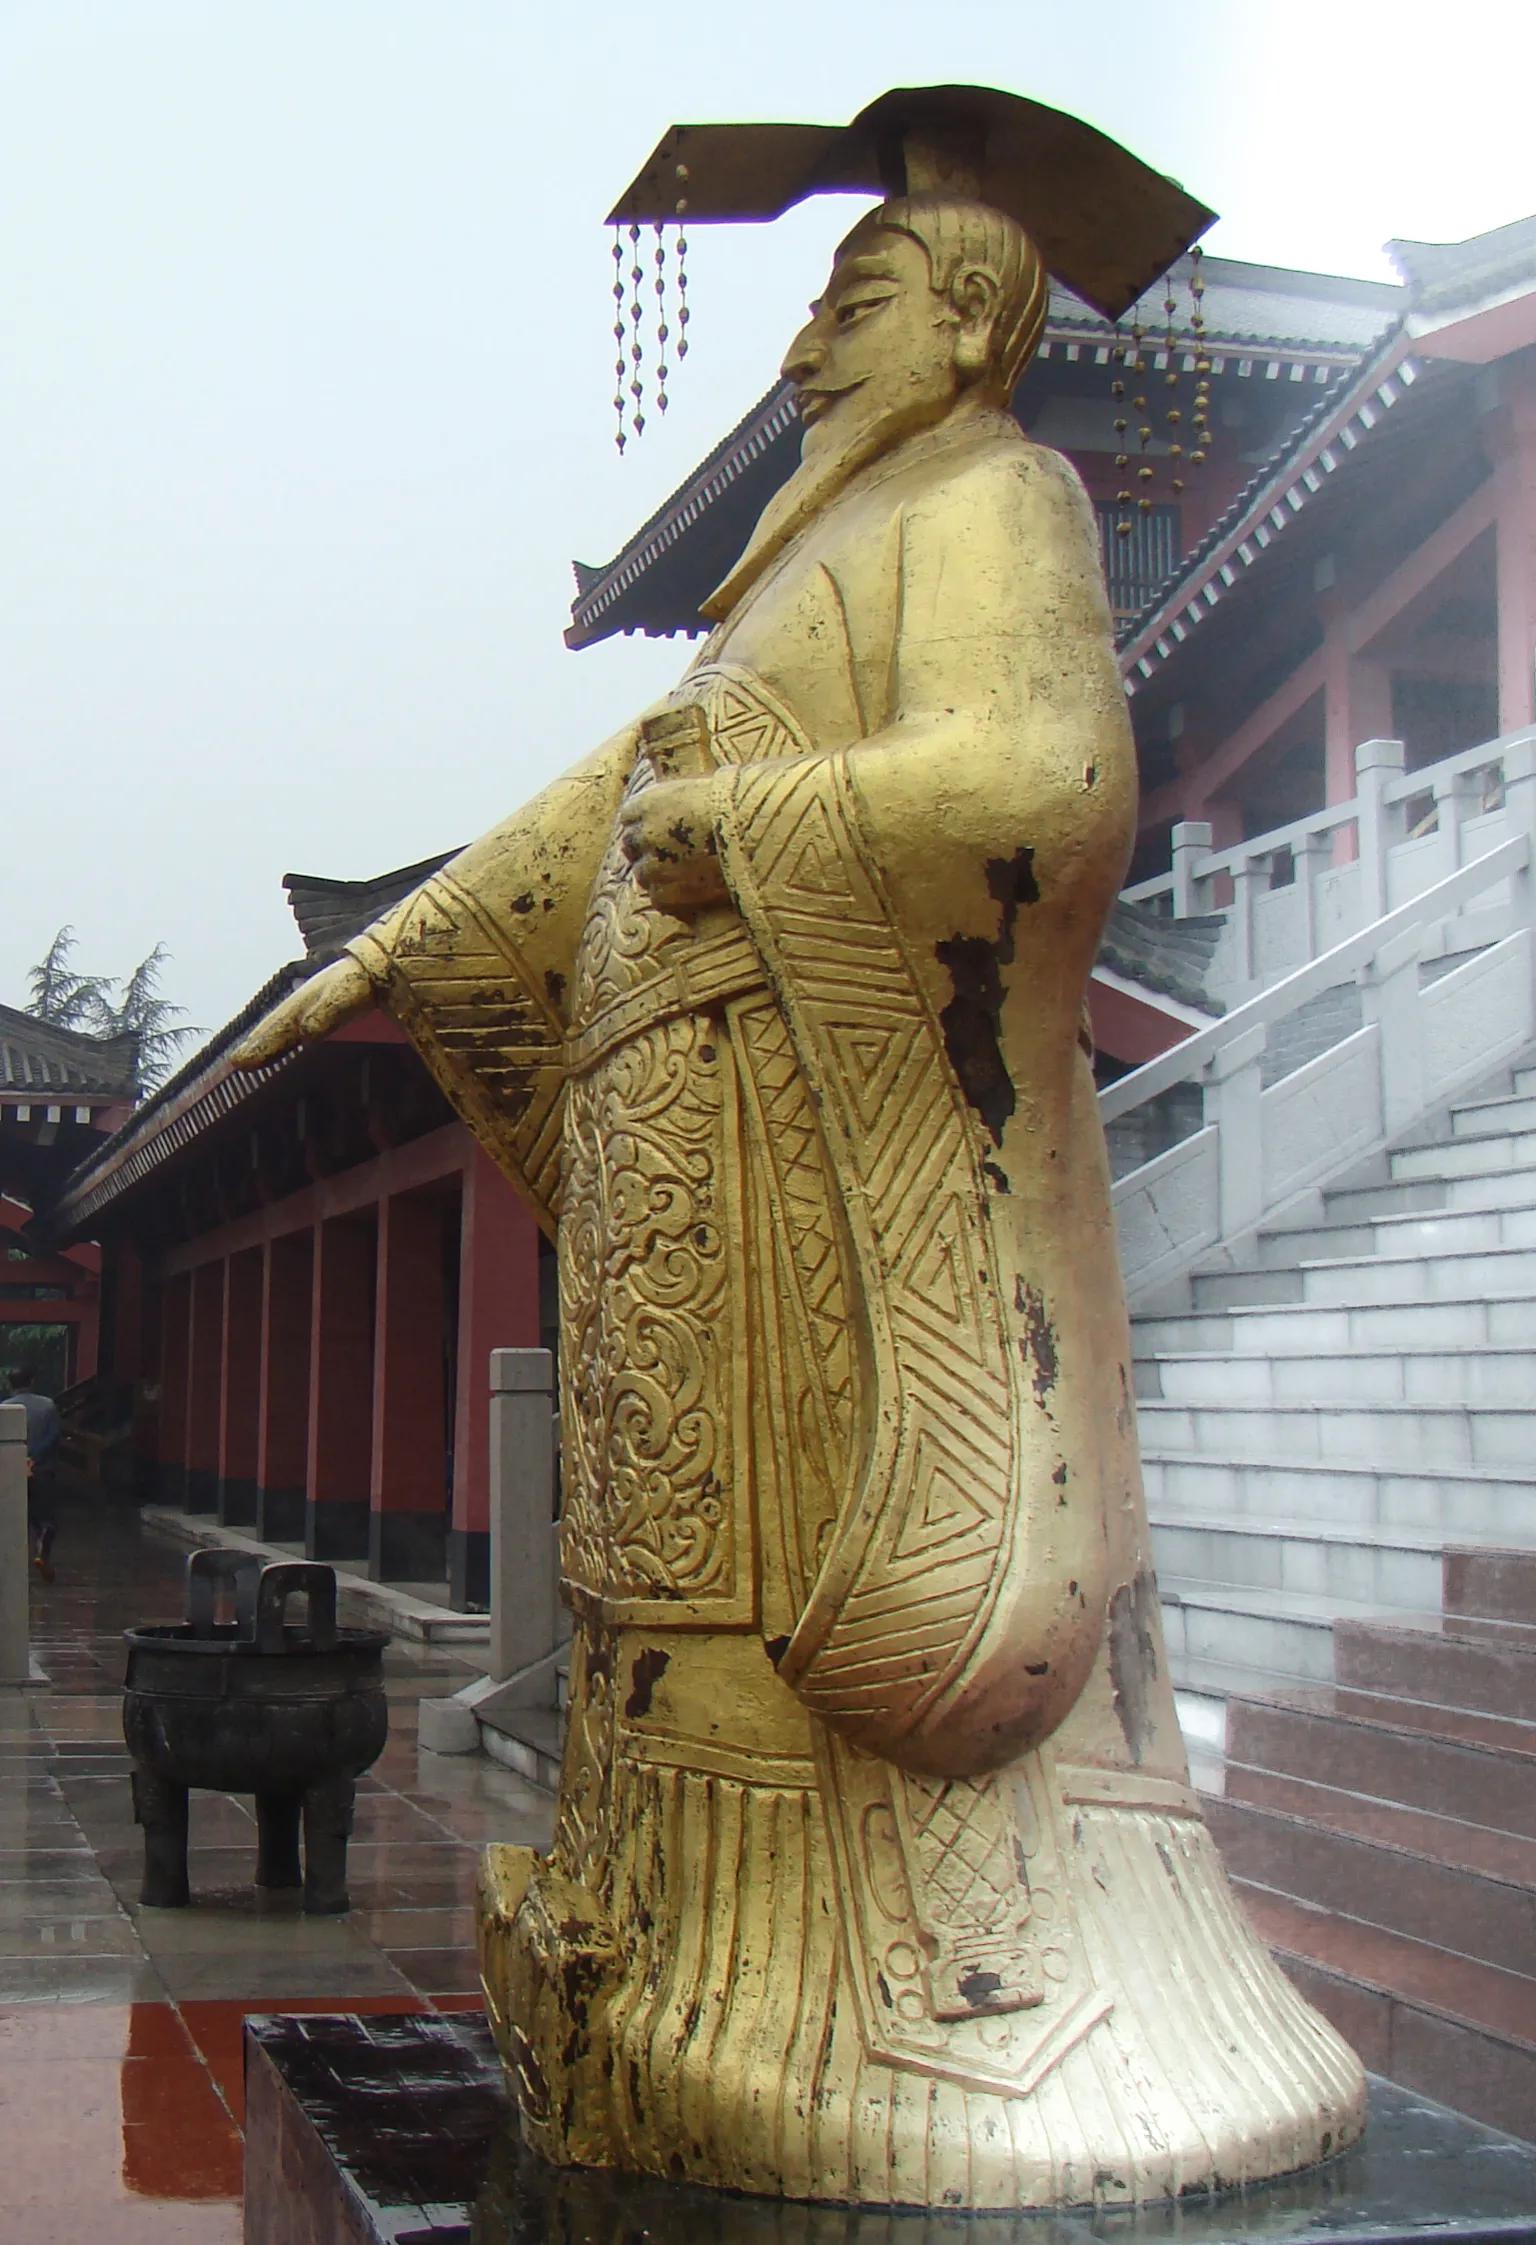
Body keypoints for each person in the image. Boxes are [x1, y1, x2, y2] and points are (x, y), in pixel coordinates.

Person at [235, 91, 1364, 2211]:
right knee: (684, 1572)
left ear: (968, 320)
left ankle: (938, 1997)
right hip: (709, 1160)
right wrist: (400, 946)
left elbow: (1046, 783)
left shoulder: (1000, 496)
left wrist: (745, 826)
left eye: (854, 300)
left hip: (839, 1152)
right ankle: (667, 1945)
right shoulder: (801, 570)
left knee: (816, 1575)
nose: (803, 349)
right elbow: (609, 801)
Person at [6, 1366, 60, 1581]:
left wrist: (20, 1457)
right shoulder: (48, 1405)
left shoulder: (5, 1408)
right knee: (45, 1517)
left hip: (12, 1471)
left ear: (10, 1384)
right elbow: (53, 1436)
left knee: (15, 1518)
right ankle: (42, 1551)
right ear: (32, 1381)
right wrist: (33, 1457)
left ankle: (13, 1565)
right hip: (42, 1469)